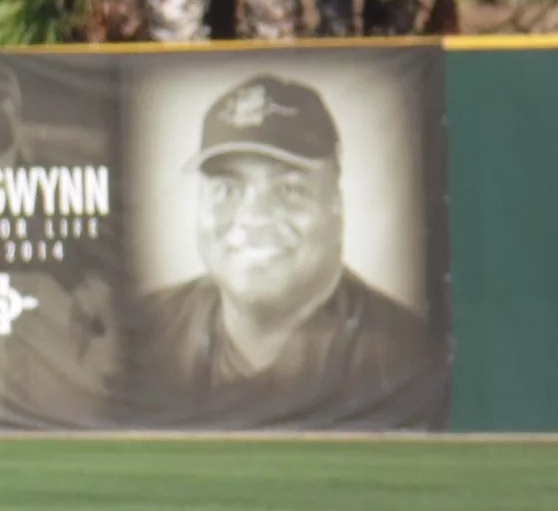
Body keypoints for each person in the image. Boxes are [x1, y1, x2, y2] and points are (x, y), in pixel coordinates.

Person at [129, 73, 435, 427]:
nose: (254, 218)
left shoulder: (403, 353)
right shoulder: (146, 328)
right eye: (227, 190)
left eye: (289, 190)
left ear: (335, 201)